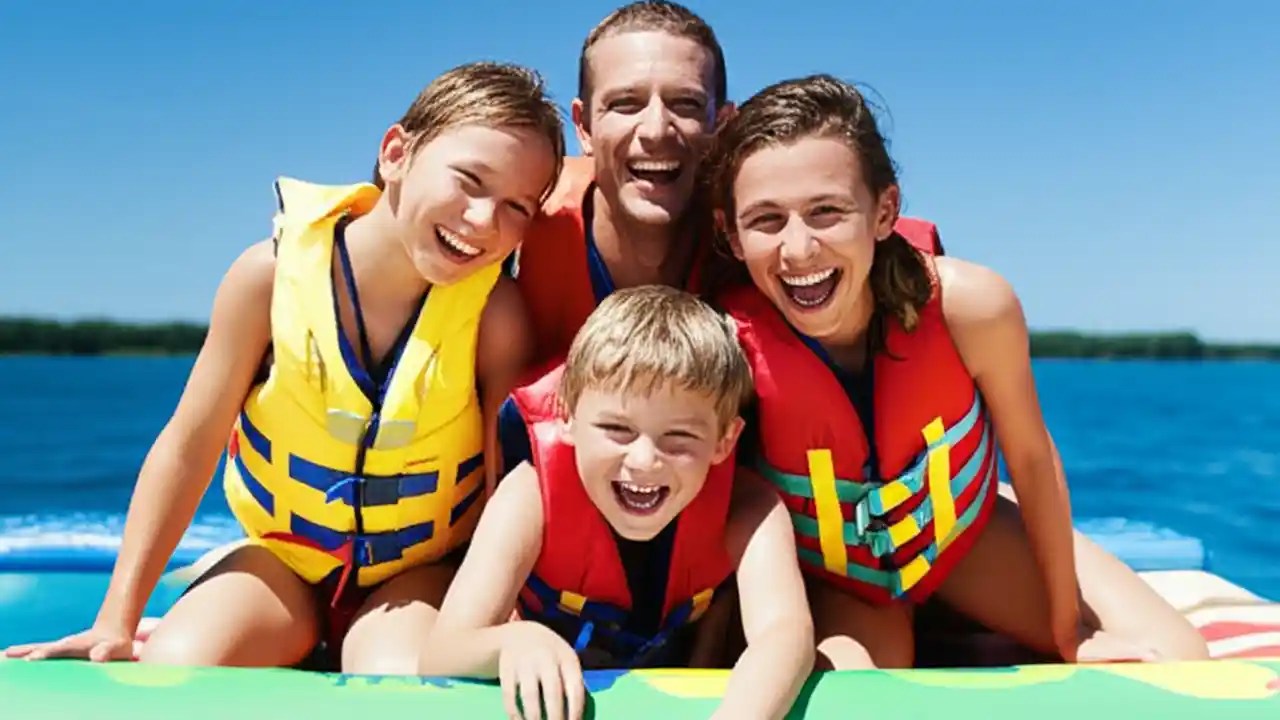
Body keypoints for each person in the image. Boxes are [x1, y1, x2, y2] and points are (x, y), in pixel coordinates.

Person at [3, 61, 566, 673]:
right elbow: (190, 446)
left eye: (518, 207)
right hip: (282, 564)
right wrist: (117, 620)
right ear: (396, 152)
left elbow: (505, 481)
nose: (484, 222)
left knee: (399, 679)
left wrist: (500, 617)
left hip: (418, 580)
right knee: (179, 666)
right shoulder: (266, 280)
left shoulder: (494, 315)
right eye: (470, 180)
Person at [707, 73, 1209, 668]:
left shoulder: (974, 306)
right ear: (731, 235)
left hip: (965, 540)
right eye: (766, 220)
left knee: (1177, 661)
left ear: (884, 211)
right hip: (842, 580)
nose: (799, 249)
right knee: (859, 695)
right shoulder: (727, 349)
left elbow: (1029, 456)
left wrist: (1070, 627)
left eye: (827, 211)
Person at [419, 285, 814, 720]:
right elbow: (442, 651)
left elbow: (786, 634)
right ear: (566, 416)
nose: (644, 461)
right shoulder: (529, 497)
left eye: (679, 438)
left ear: (724, 440)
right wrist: (517, 641)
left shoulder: (747, 509)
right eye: (617, 429)